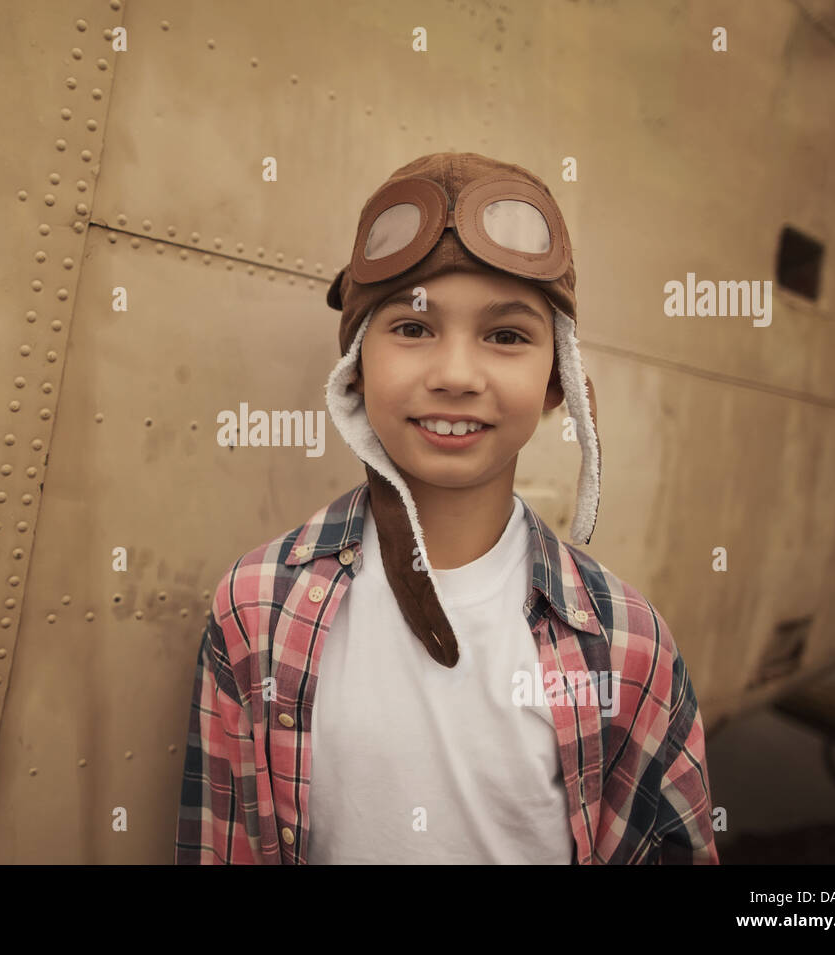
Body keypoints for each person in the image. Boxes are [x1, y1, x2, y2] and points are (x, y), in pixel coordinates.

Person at [175, 152, 718, 864]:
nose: (457, 375)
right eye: (412, 327)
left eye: (506, 336)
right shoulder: (255, 609)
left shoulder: (629, 646)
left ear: (559, 381)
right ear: (356, 366)